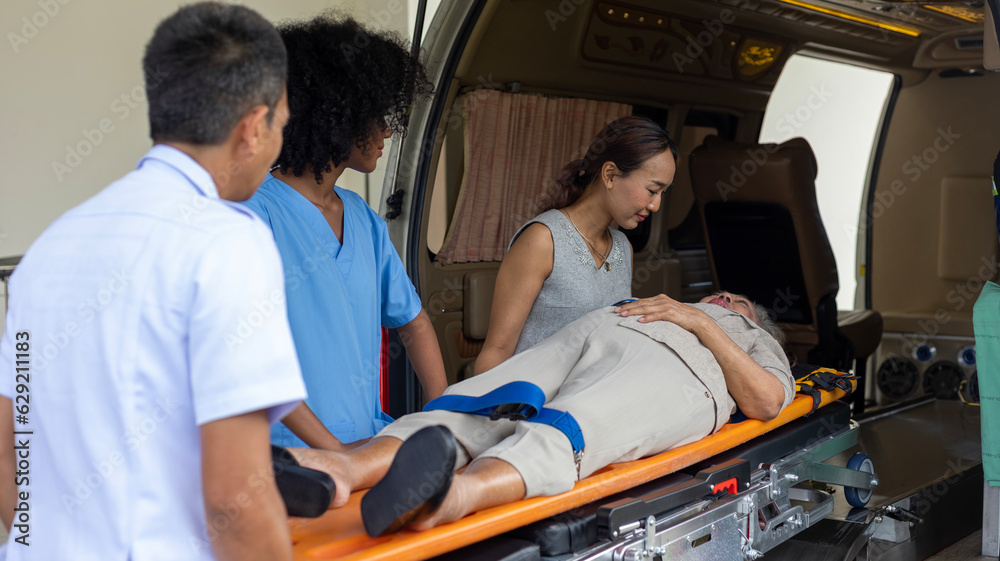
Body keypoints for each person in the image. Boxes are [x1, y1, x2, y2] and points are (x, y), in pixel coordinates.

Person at [0, 4, 306, 560]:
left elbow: (7, 450)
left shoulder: (49, 249)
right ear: (251, 129)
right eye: (280, 125)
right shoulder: (225, 242)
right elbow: (235, 495)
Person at [291, 291, 792, 536]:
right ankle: (347, 469)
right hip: (610, 325)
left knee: (575, 423)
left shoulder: (755, 341)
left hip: (684, 370)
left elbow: (765, 401)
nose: (726, 297)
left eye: (739, 301)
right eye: (719, 295)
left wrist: (704, 320)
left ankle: (454, 496)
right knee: (485, 400)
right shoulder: (669, 301)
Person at [241, 14, 445, 451]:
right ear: (336, 112)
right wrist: (337, 456)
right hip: (287, 457)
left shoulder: (364, 218)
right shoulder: (253, 215)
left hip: (366, 442)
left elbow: (415, 322)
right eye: (377, 113)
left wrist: (442, 413)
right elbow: (246, 360)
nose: (388, 129)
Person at [475, 116, 678, 375]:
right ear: (610, 175)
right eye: (652, 190)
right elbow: (497, 351)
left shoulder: (622, 247)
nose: (656, 205)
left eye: (663, 193)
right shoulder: (542, 240)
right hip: (534, 400)